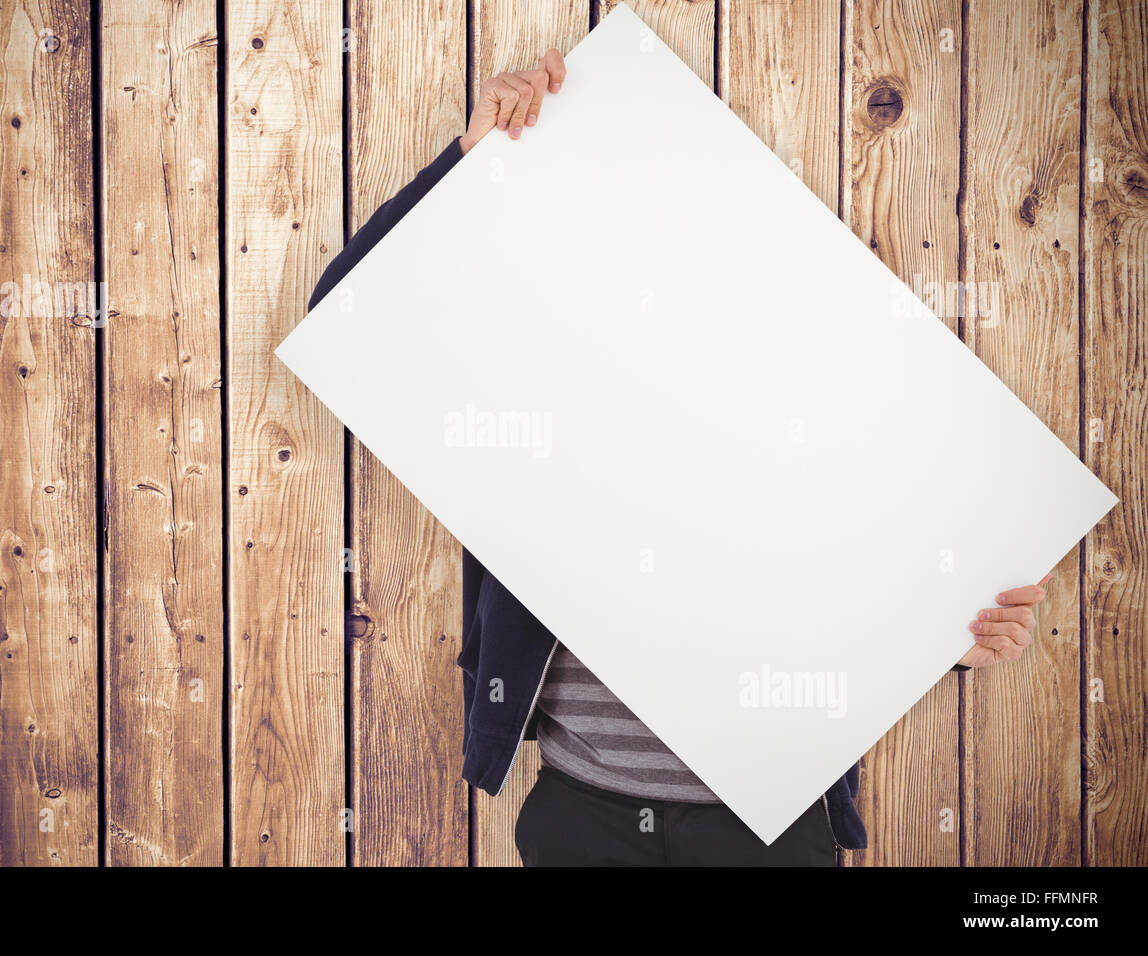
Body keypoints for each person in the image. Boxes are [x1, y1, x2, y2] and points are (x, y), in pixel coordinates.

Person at [307, 49, 1050, 866]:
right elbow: (344, 316)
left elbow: (866, 561)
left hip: (775, 823)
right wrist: (467, 162)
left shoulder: (807, 390)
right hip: (578, 813)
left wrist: (944, 635)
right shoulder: (533, 357)